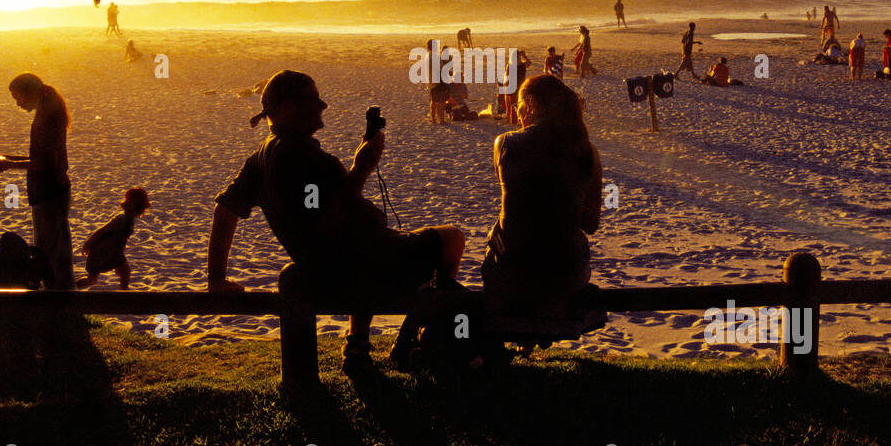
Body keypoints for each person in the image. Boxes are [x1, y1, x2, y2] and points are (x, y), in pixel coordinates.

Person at [207, 71, 465, 366]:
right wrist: (362, 167)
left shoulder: (261, 158)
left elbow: (224, 210)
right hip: (357, 271)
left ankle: (358, 342)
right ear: (288, 107)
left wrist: (217, 278)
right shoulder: (306, 159)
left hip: (327, 266)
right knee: (452, 238)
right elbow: (328, 221)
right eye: (313, 99)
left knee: (376, 243)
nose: (323, 105)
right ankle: (414, 340)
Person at [481, 74, 602, 308]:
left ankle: (525, 338)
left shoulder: (505, 143)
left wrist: (496, 231)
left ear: (532, 106)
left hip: (514, 275)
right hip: (566, 277)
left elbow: (518, 204)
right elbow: (590, 224)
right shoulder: (587, 151)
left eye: (519, 106)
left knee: (497, 252)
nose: (517, 113)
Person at [0, 73, 74, 289]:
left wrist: (9, 165)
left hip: (49, 192)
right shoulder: (48, 111)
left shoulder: (48, 117)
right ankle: (59, 298)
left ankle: (62, 301)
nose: (18, 104)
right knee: (51, 251)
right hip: (48, 192)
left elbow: (47, 163)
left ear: (31, 93)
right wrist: (7, 160)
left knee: (52, 255)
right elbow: (41, 158)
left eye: (19, 98)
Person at [79, 188, 149, 290]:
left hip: (111, 251)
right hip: (103, 250)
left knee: (92, 279)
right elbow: (101, 231)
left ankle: (69, 288)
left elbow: (121, 239)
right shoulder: (122, 219)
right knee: (125, 272)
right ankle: (123, 294)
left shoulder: (129, 220)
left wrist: (121, 252)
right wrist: (88, 244)